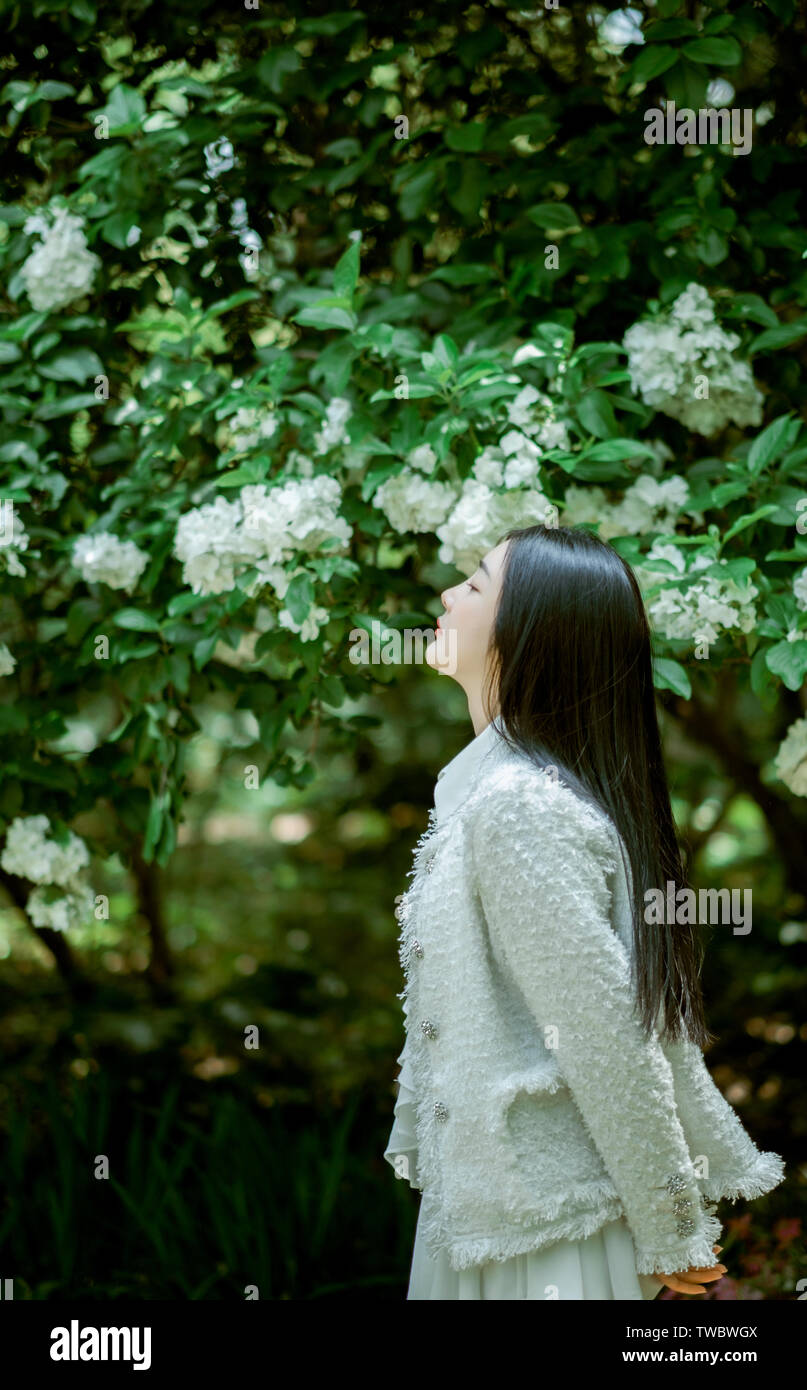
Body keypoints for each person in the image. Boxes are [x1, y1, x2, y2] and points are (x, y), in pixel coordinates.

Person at [384, 524, 785, 1300]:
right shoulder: (500, 794)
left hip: (545, 1243)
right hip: (507, 1216)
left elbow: (610, 1041)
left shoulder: (516, 808)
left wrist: (676, 1235)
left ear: (531, 633)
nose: (445, 596)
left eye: (473, 585)